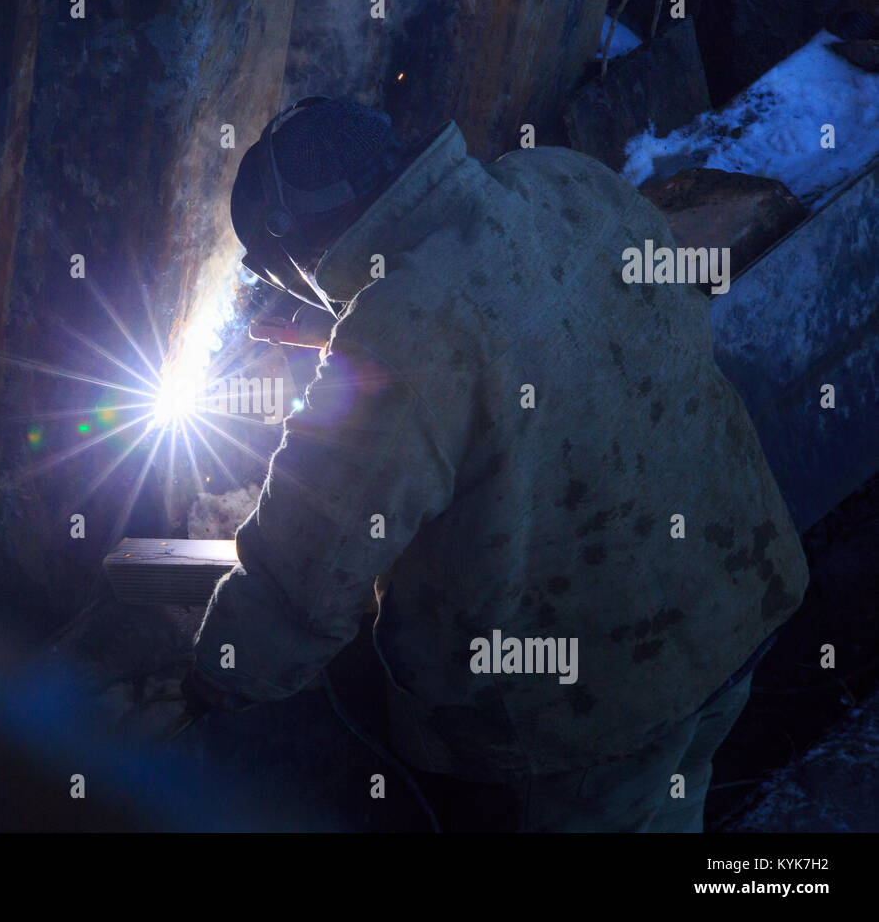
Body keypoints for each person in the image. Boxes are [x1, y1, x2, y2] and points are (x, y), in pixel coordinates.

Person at [181, 96, 809, 831]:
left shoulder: (396, 335)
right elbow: (548, 324)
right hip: (738, 592)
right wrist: (356, 331)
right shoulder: (562, 180)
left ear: (302, 253)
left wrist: (222, 674)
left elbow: (309, 567)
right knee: (677, 798)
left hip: (601, 700)